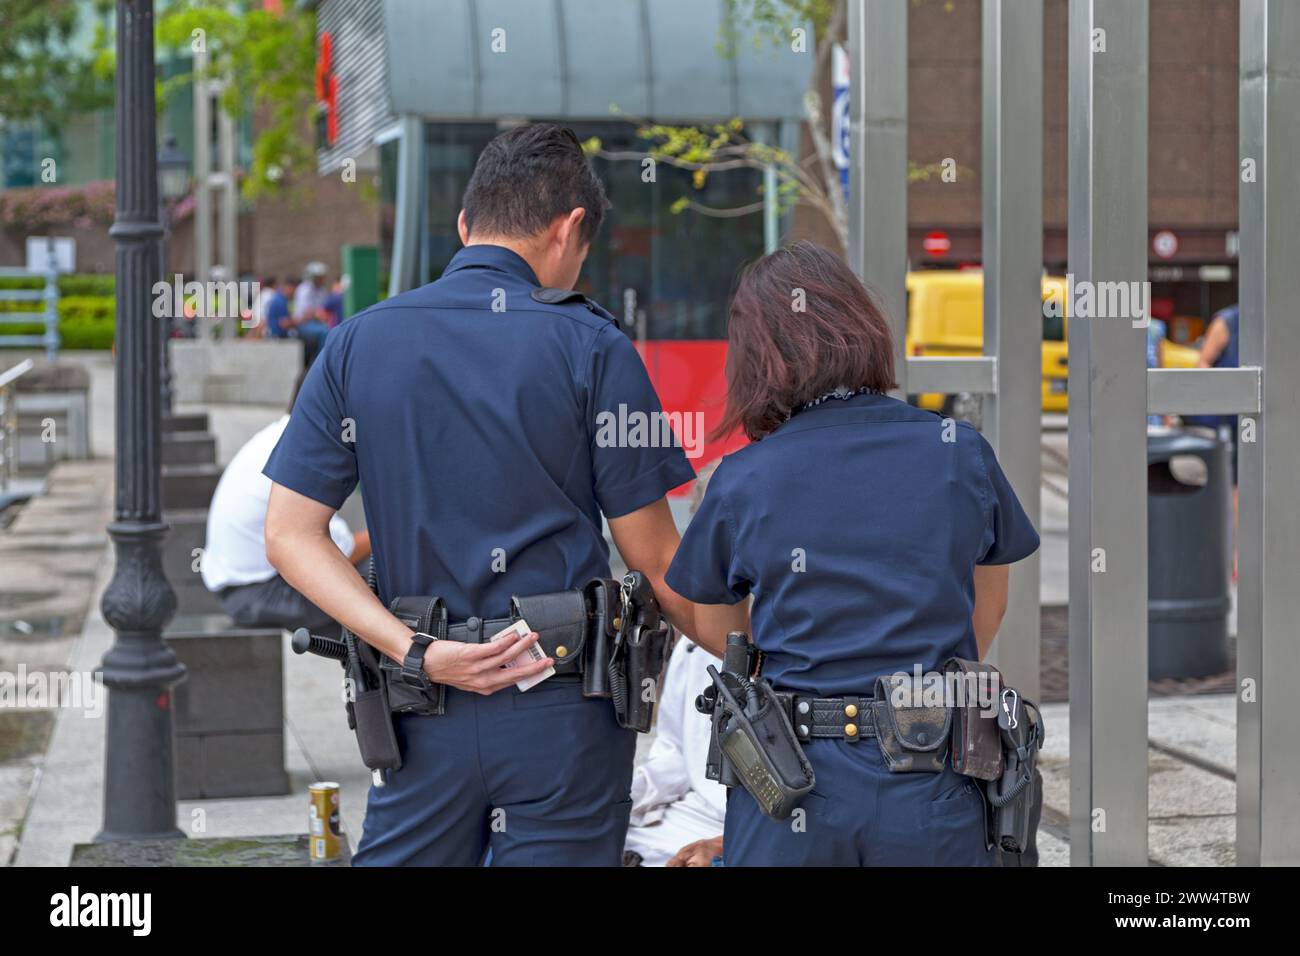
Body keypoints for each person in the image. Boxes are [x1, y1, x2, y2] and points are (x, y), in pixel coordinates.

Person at [262, 122, 697, 866]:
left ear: (466, 226)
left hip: (418, 705)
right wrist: (762, 660)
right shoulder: (593, 346)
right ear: (571, 229)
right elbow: (658, 563)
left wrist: (416, 652)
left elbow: (290, 535)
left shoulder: (359, 342)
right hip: (563, 710)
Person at [665, 241, 1040, 867]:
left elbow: (716, 628)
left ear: (757, 356)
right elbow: (988, 605)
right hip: (935, 776)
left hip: (791, 781)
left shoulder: (745, 477)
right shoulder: (959, 451)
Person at [201, 374, 370, 636]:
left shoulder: (279, 436)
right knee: (380, 573)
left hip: (236, 589)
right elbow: (336, 553)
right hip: (260, 595)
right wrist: (392, 536)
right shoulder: (305, 452)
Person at [623, 636, 727, 867]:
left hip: (746, 834)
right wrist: (619, 799)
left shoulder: (799, 657)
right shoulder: (695, 647)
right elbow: (674, 754)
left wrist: (723, 846)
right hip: (682, 819)